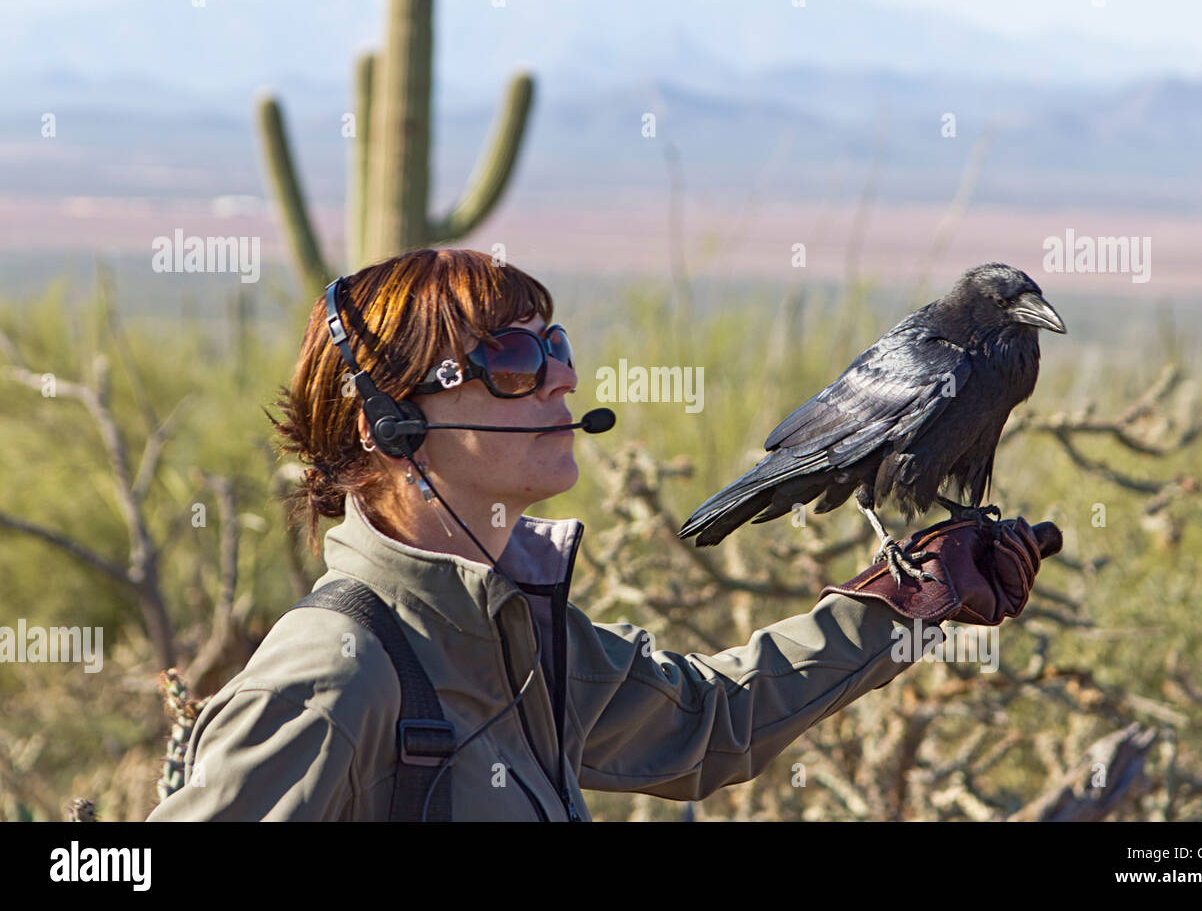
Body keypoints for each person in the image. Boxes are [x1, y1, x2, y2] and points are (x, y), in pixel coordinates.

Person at [147, 247, 1060, 821]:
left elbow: (712, 724)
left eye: (556, 349)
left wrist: (903, 604)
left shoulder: (514, 640)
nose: (556, 381)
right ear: (388, 426)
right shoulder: (337, 674)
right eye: (508, 361)